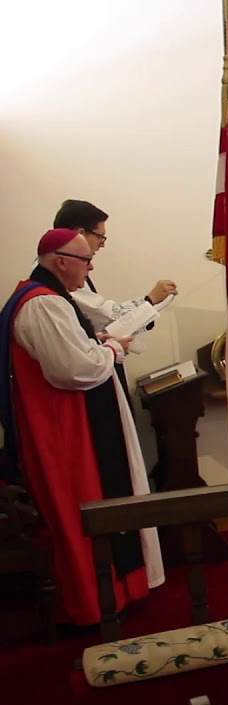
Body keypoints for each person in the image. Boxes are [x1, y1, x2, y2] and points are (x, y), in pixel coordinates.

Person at [0, 229, 164, 625]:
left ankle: (119, 591)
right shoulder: (43, 305)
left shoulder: (50, 298)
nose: (90, 268)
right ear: (61, 262)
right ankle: (94, 603)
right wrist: (110, 347)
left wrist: (100, 343)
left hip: (72, 422)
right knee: (87, 512)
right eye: (86, 261)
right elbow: (75, 369)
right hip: (66, 431)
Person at [52, 199, 178, 338]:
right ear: (80, 234)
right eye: (100, 237)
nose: (102, 245)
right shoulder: (61, 272)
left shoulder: (59, 267)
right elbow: (107, 319)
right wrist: (150, 299)